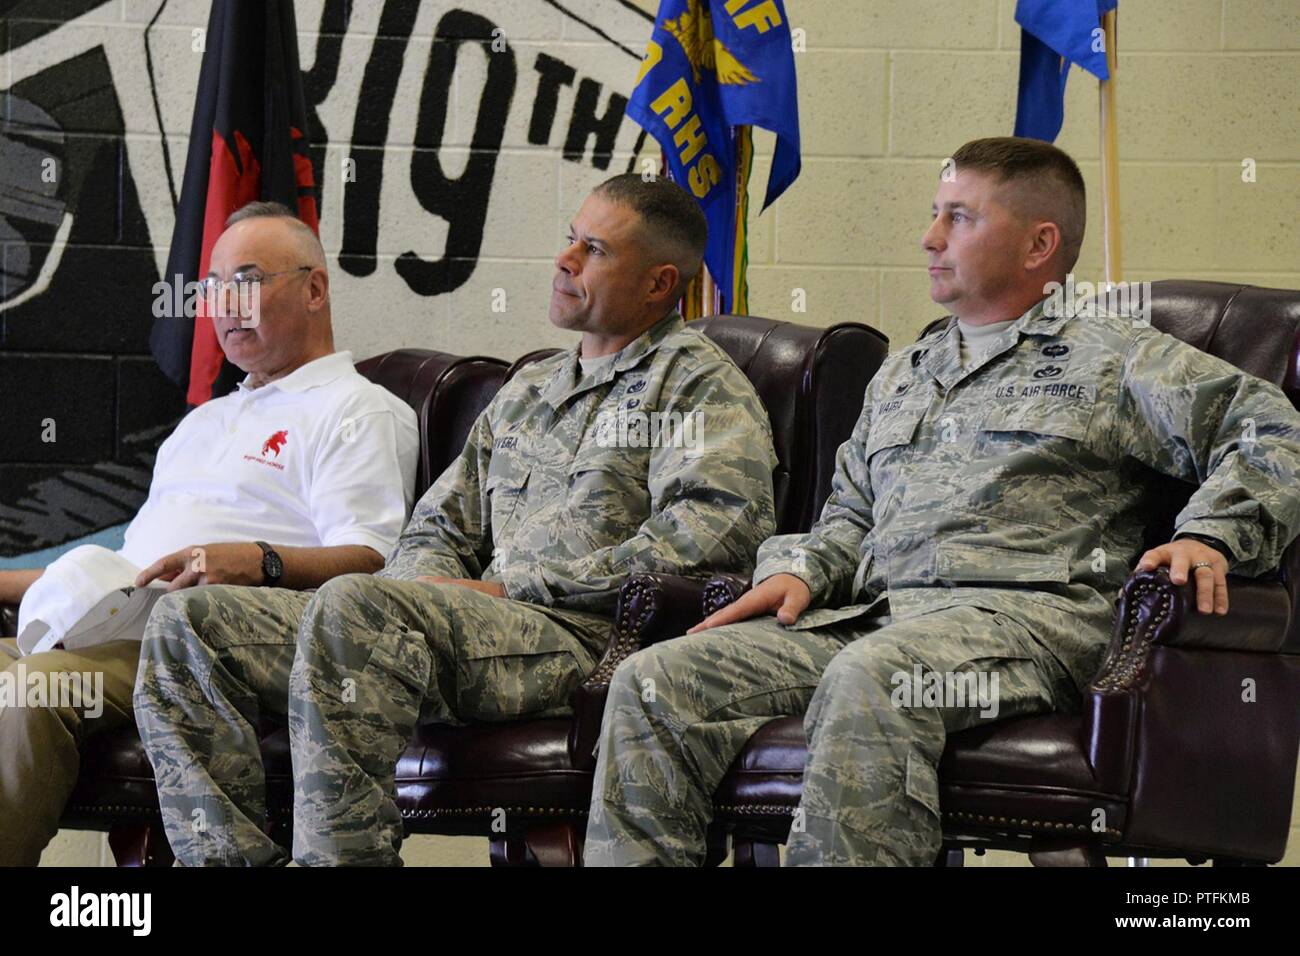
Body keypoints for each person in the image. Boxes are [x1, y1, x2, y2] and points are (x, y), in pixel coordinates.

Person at [584, 136, 1300, 866]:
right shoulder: (905, 374)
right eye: (934, 214)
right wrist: (800, 572)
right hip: (874, 620)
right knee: (655, 680)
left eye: (958, 218)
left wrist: (1213, 533)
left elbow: (1272, 429)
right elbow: (849, 517)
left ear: (1038, 244)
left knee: (875, 678)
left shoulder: (1116, 358)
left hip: (1027, 624)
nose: (928, 238)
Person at [133, 173, 779, 866]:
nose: (564, 261)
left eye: (594, 250)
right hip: (457, 629)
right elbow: (438, 528)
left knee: (356, 608)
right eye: (570, 239)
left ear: (658, 284)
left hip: (582, 639)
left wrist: (513, 590)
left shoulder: (697, 385)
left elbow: (712, 534)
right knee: (188, 626)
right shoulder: (529, 389)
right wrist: (423, 589)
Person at [0, 200, 419, 866]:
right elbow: (128, 564)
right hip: (111, 616)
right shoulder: (201, 423)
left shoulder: (358, 410)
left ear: (314, 289)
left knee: (31, 690)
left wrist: (257, 561)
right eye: (214, 287)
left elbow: (372, 561)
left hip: (207, 645)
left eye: (247, 281)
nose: (226, 304)